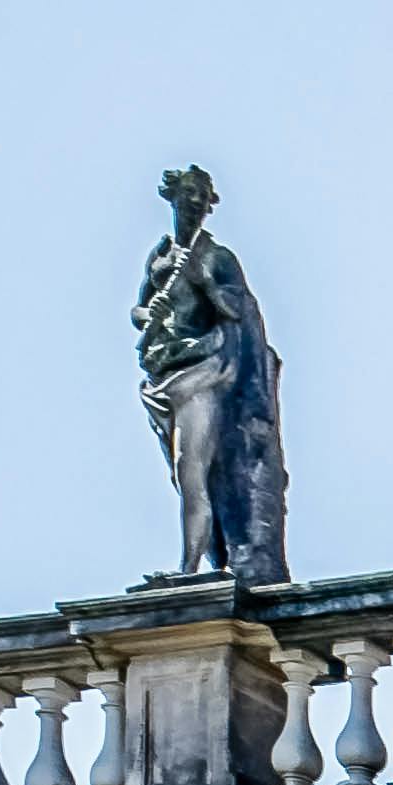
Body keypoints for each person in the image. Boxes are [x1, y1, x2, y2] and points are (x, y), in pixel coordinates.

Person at [136, 166, 292, 582]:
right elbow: (139, 310)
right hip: (161, 374)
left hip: (202, 374)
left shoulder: (215, 257)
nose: (193, 204)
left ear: (209, 206)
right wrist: (146, 312)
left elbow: (237, 310)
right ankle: (204, 558)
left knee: (193, 469)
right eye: (187, 194)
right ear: (173, 198)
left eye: (200, 197)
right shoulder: (161, 254)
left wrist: (205, 283)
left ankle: (188, 569)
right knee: (179, 470)